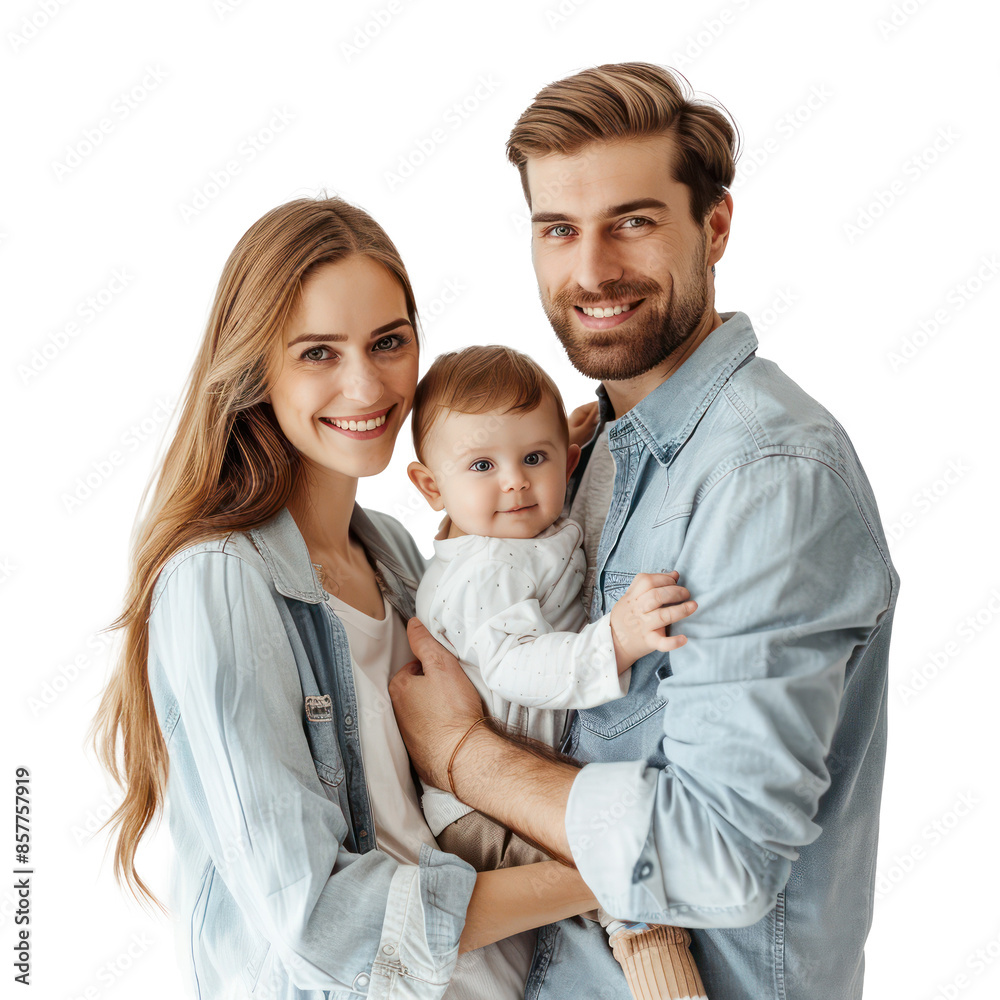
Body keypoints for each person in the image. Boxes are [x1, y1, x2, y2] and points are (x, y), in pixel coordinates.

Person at [389, 62, 901, 1000]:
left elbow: (722, 858)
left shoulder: (764, 475)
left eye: (632, 221)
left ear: (714, 227)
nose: (591, 271)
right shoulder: (601, 453)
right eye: (558, 230)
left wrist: (462, 756)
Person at [88, 196, 605, 1000]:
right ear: (257, 364)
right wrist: (613, 868)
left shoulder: (397, 556)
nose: (366, 384)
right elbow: (323, 923)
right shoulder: (220, 582)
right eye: (318, 353)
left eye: (389, 342)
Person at [405, 343, 708, 1000]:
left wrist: (571, 439)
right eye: (482, 465)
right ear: (432, 487)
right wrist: (617, 641)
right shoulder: (485, 571)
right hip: (479, 810)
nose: (515, 480)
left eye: (533, 458)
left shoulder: (523, 528)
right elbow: (517, 666)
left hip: (521, 780)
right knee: (625, 877)